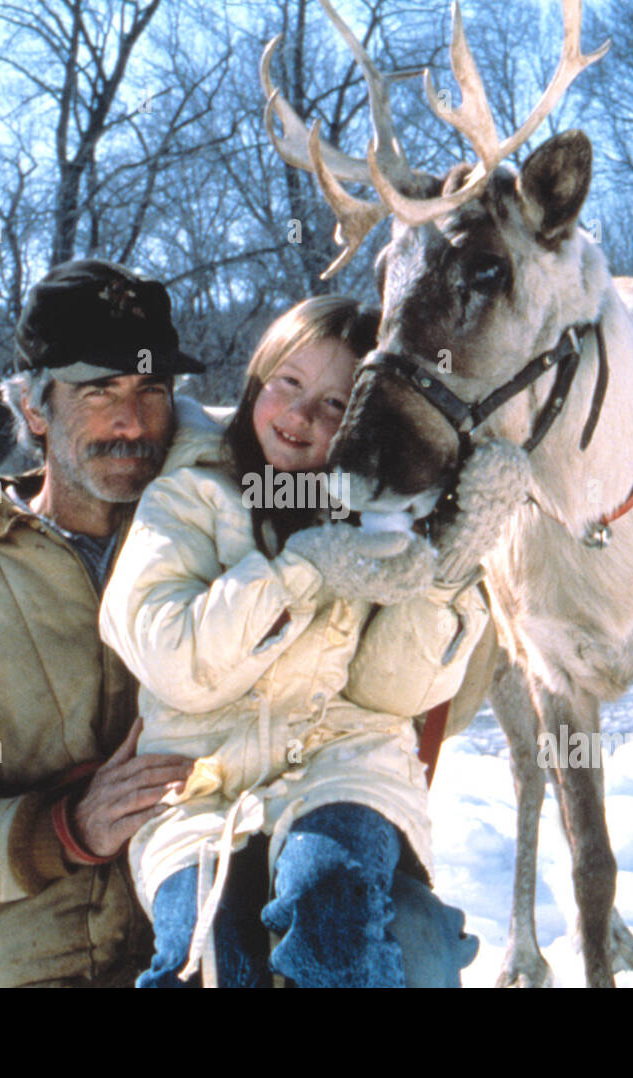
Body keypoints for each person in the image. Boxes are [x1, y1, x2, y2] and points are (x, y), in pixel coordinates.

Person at [0, 263, 488, 988]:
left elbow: (428, 697)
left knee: (418, 946)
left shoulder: (266, 493)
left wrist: (438, 548)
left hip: (276, 894)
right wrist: (63, 829)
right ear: (34, 407)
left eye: (151, 389)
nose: (132, 420)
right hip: (73, 962)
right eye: (99, 392)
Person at [99, 295, 505, 987]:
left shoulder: (379, 516)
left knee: (332, 910)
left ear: (360, 422)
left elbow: (391, 691)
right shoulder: (185, 499)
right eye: (288, 384)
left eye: (332, 404)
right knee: (207, 956)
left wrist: (447, 573)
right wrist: (302, 571)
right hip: (201, 793)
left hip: (346, 770)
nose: (298, 417)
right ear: (258, 377)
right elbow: (175, 662)